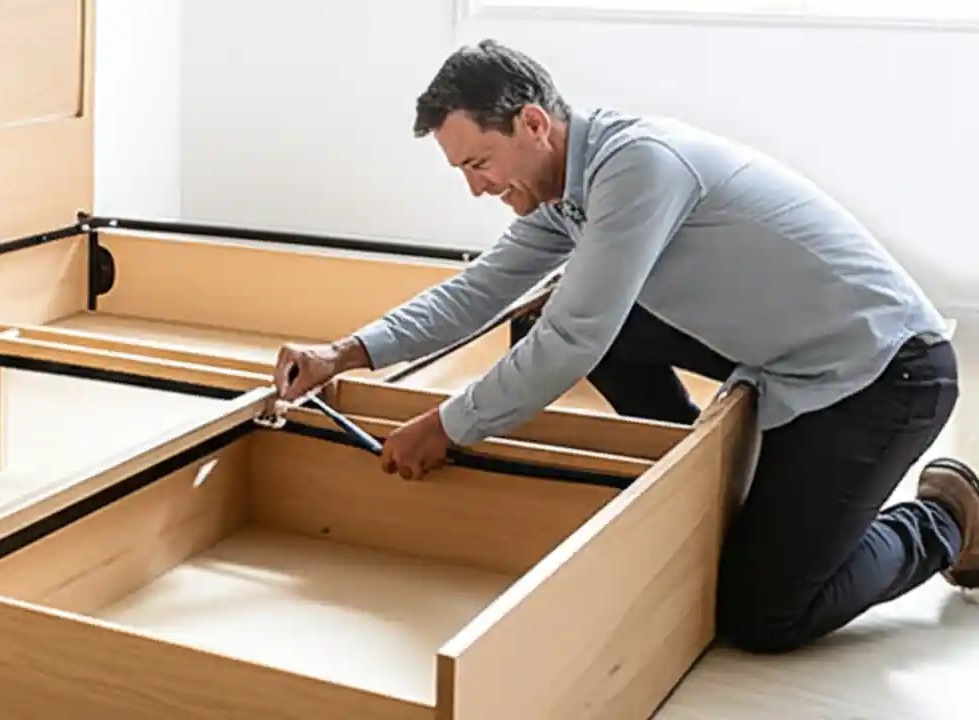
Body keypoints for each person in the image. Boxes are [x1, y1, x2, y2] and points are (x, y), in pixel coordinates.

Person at [272, 38, 977, 653]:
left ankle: (949, 519)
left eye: (479, 163)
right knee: (538, 315)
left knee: (764, 616)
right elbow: (479, 291)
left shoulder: (638, 168)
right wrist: (347, 353)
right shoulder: (566, 192)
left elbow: (575, 340)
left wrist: (448, 426)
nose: (476, 188)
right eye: (462, 171)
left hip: (884, 374)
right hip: (786, 353)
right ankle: (689, 476)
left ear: (534, 122)